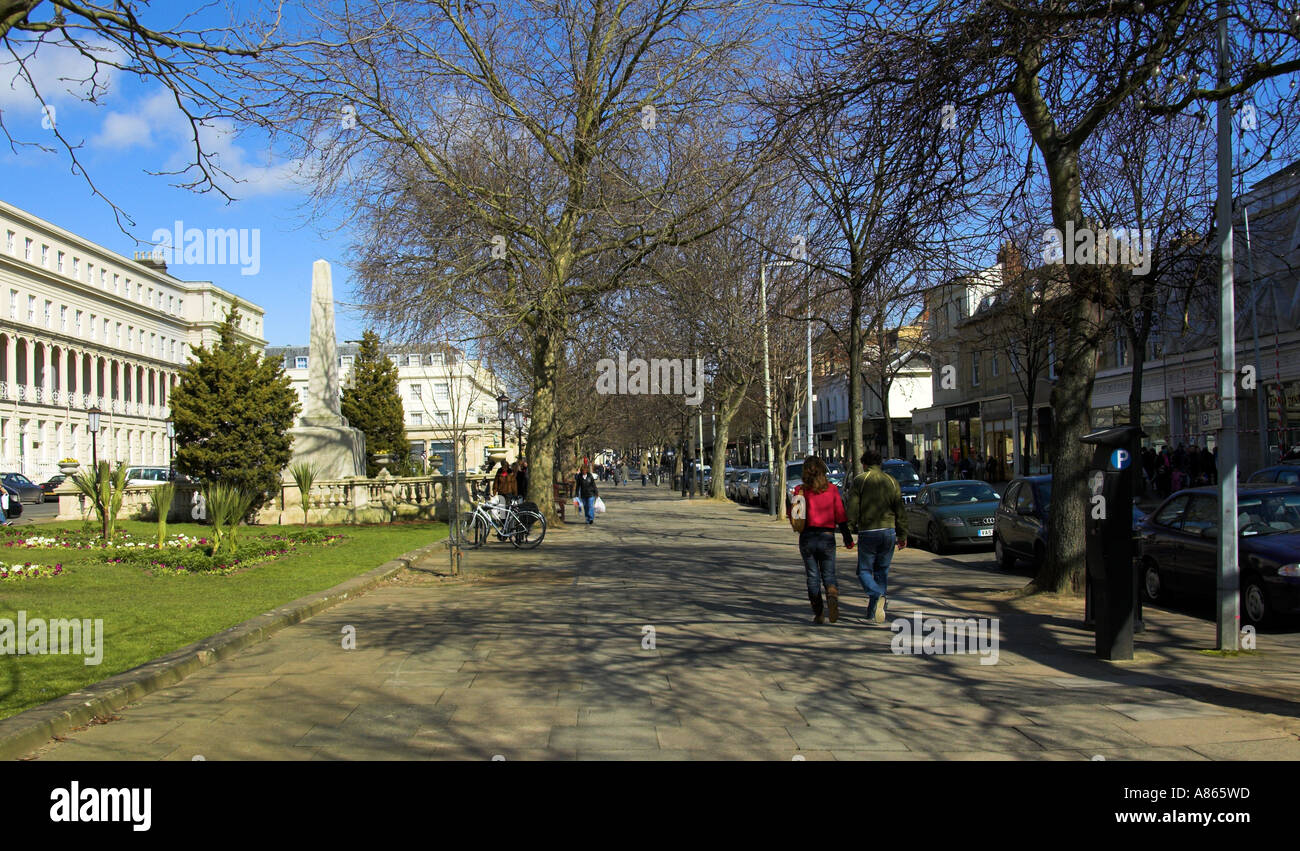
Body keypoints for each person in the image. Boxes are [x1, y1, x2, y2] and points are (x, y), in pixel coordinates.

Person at [846, 448, 908, 624]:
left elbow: (853, 508)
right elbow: (900, 510)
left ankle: (877, 595)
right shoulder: (891, 481)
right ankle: (873, 611)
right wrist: (902, 534)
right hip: (889, 532)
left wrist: (848, 529)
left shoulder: (860, 481)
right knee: (882, 571)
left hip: (868, 531)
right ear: (880, 464)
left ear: (864, 464)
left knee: (864, 571)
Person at [793, 456, 854, 625]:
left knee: (812, 577)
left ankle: (818, 613)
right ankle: (832, 596)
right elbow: (841, 516)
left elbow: (796, 516)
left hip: (807, 537)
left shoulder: (800, 490)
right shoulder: (832, 490)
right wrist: (848, 539)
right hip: (827, 536)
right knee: (829, 575)